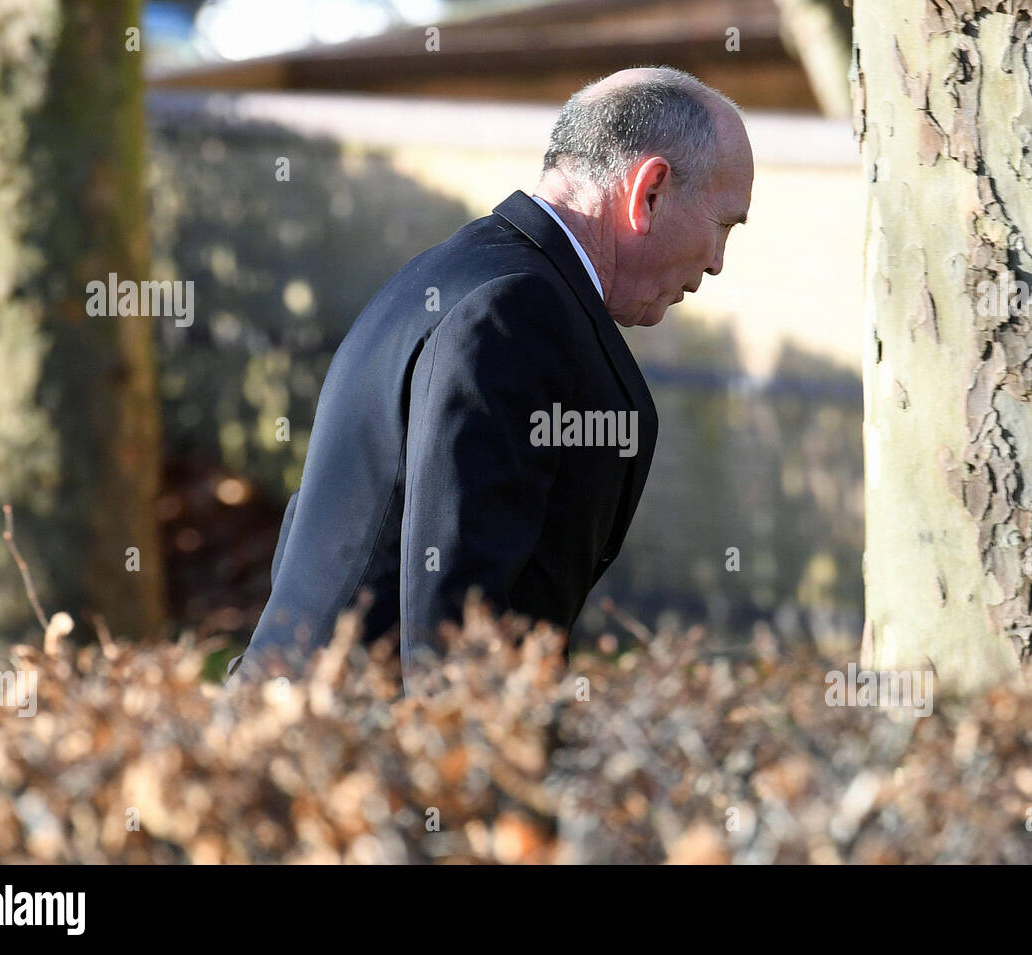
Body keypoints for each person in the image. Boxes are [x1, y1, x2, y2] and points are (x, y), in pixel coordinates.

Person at [227, 65, 754, 693]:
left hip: (304, 734)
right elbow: (458, 606)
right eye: (723, 224)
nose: (717, 262)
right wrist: (487, 772)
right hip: (353, 756)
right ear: (650, 191)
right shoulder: (514, 312)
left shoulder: (457, 272)